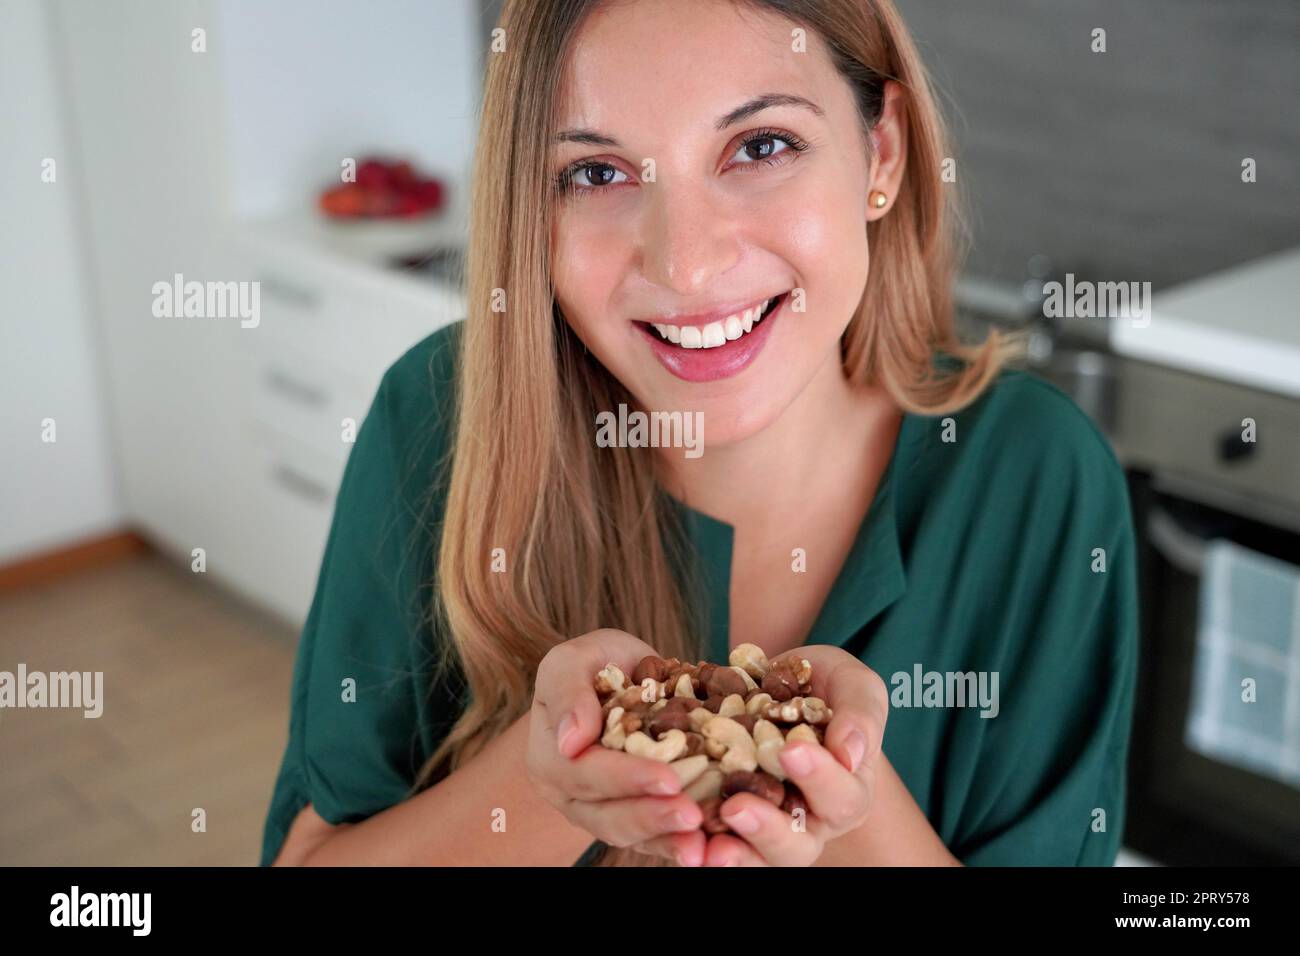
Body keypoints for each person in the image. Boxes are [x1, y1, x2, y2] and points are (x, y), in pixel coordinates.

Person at [261, 0, 1138, 867]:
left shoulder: (1035, 472)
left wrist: (829, 781)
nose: (685, 264)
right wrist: (570, 760)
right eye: (597, 173)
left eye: (760, 147)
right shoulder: (441, 412)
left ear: (882, 150)